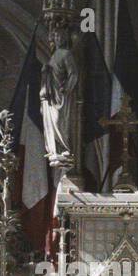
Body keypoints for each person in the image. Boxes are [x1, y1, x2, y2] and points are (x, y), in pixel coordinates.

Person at [39, 23, 79, 170]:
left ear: (66, 37)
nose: (57, 38)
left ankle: (65, 149)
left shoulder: (66, 54)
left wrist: (66, 88)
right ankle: (55, 149)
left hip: (61, 98)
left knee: (60, 121)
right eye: (55, 35)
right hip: (50, 97)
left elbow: (73, 74)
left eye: (60, 35)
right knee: (51, 123)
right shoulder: (54, 55)